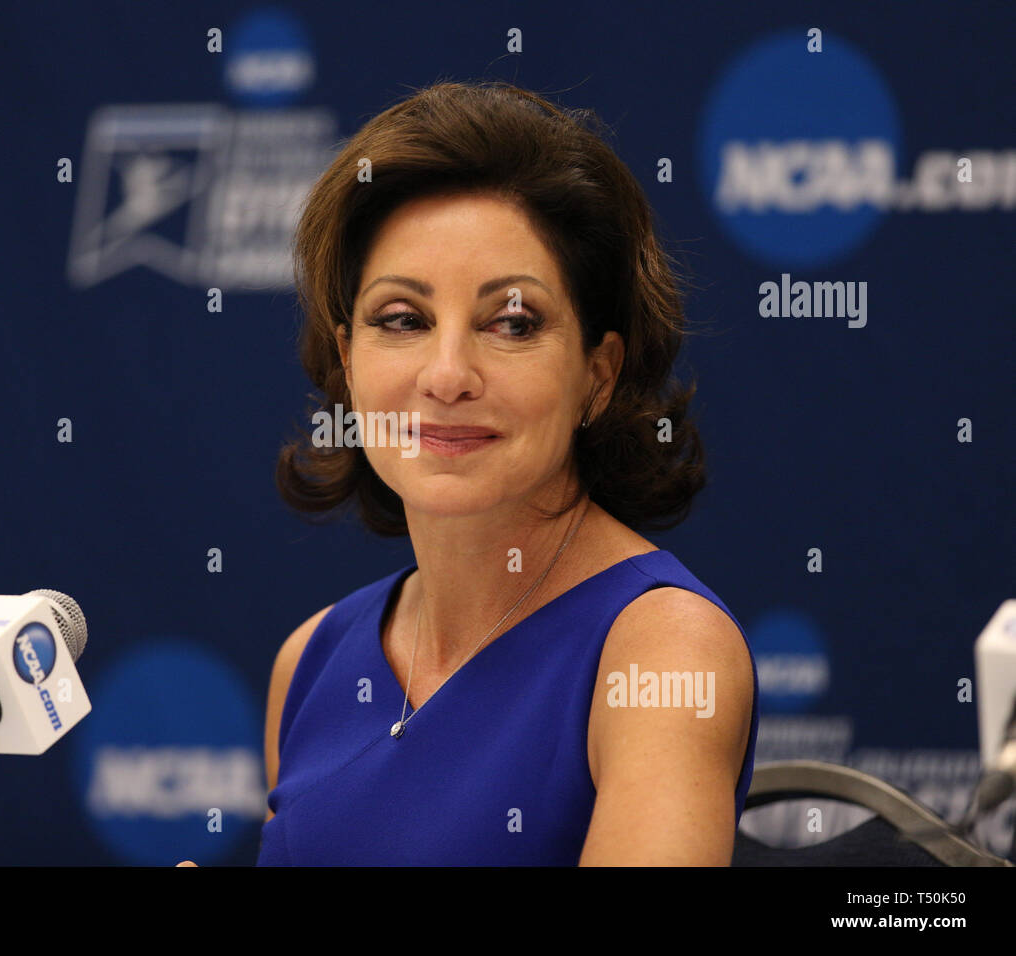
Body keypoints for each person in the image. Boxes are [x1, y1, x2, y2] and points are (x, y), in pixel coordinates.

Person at [222, 79, 757, 867]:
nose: (446, 376)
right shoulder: (308, 661)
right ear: (347, 360)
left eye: (512, 322)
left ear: (598, 374)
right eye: (402, 320)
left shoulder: (662, 650)